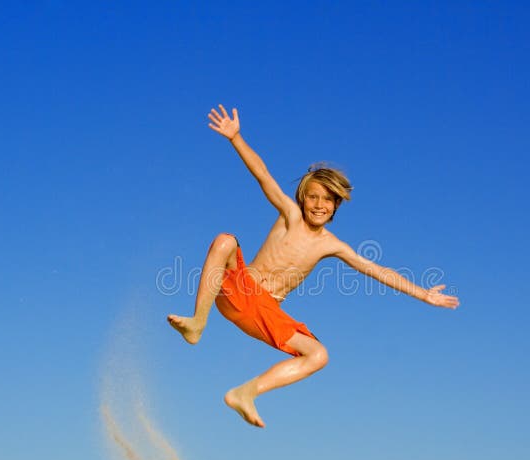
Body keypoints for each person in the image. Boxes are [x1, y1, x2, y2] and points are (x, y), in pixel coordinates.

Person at [168, 104, 459, 428]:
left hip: (265, 311)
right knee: (224, 241)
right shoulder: (289, 215)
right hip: (236, 290)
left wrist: (424, 295)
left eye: (327, 199)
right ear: (302, 198)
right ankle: (197, 323)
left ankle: (246, 393)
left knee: (319, 355)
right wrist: (236, 138)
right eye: (313, 197)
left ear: (336, 204)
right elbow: (263, 175)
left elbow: (376, 270)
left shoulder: (331, 244)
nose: (319, 205)